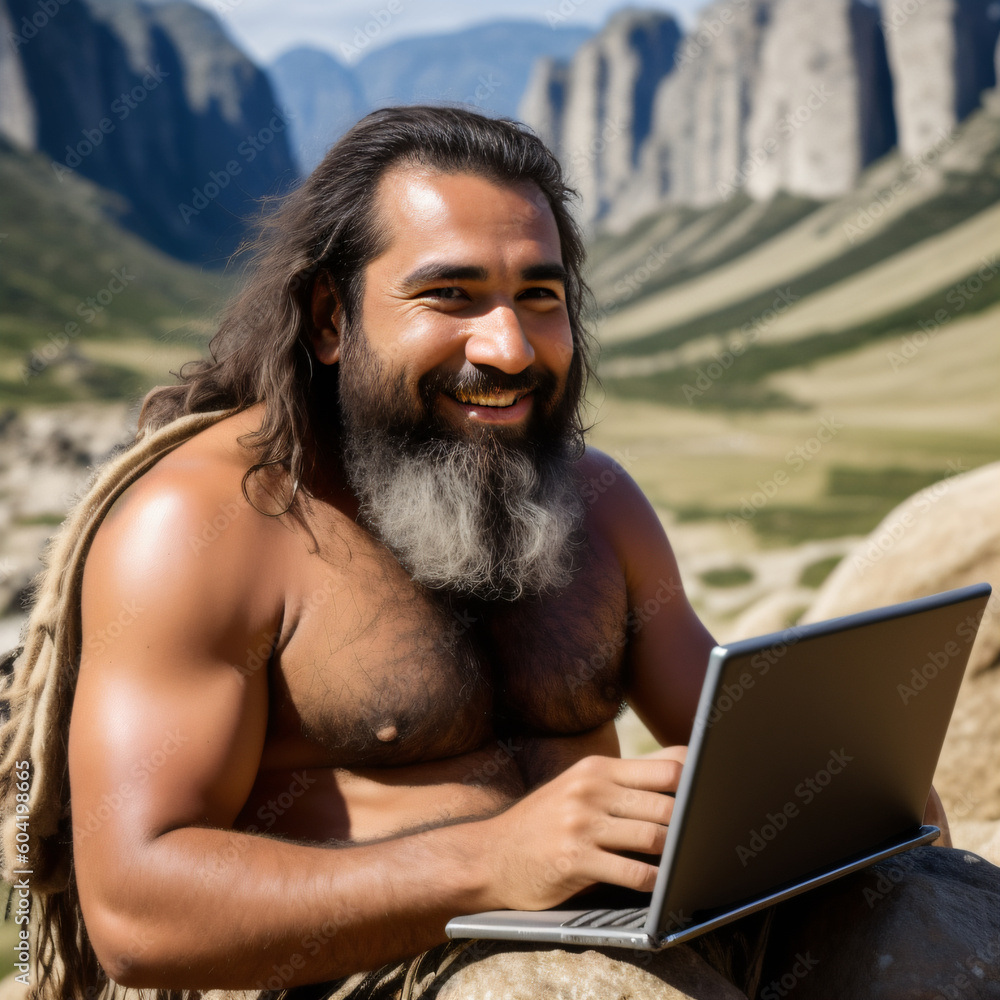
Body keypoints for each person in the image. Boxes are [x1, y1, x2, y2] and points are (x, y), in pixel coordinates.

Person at [0, 106, 993, 1000]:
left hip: (636, 937)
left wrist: (858, 802)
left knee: (942, 916)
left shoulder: (597, 503)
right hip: (363, 976)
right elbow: (134, 910)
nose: (511, 347)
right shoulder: (202, 524)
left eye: (540, 295)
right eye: (451, 294)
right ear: (330, 318)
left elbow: (751, 755)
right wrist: (491, 861)